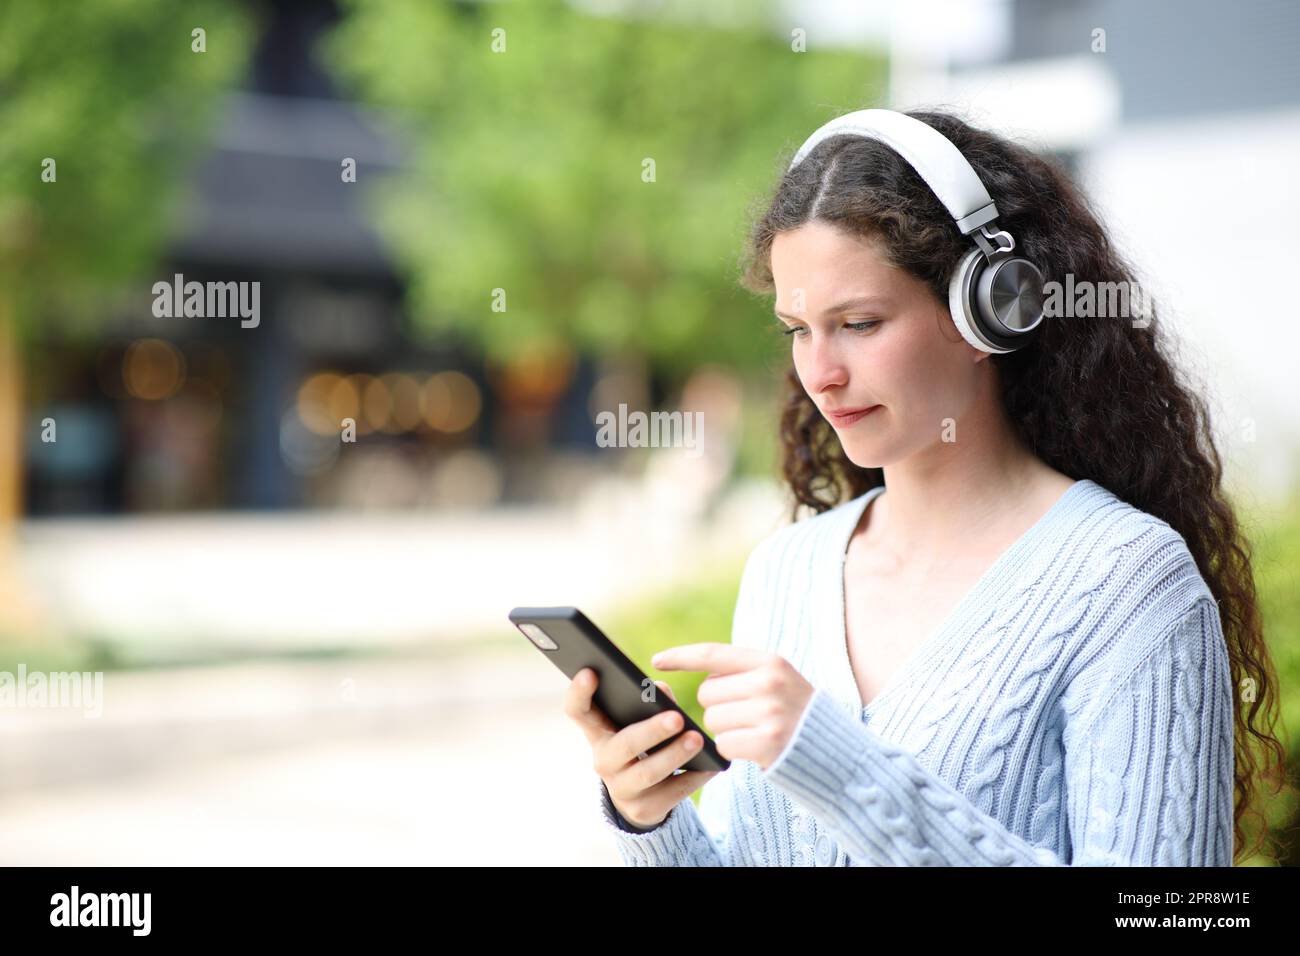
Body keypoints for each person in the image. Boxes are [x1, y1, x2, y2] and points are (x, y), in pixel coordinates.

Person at [563, 107, 1284, 866]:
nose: (821, 372)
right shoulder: (788, 570)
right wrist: (653, 824)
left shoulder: (1127, 584)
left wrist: (841, 769)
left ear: (990, 310)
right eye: (798, 329)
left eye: (861, 323)